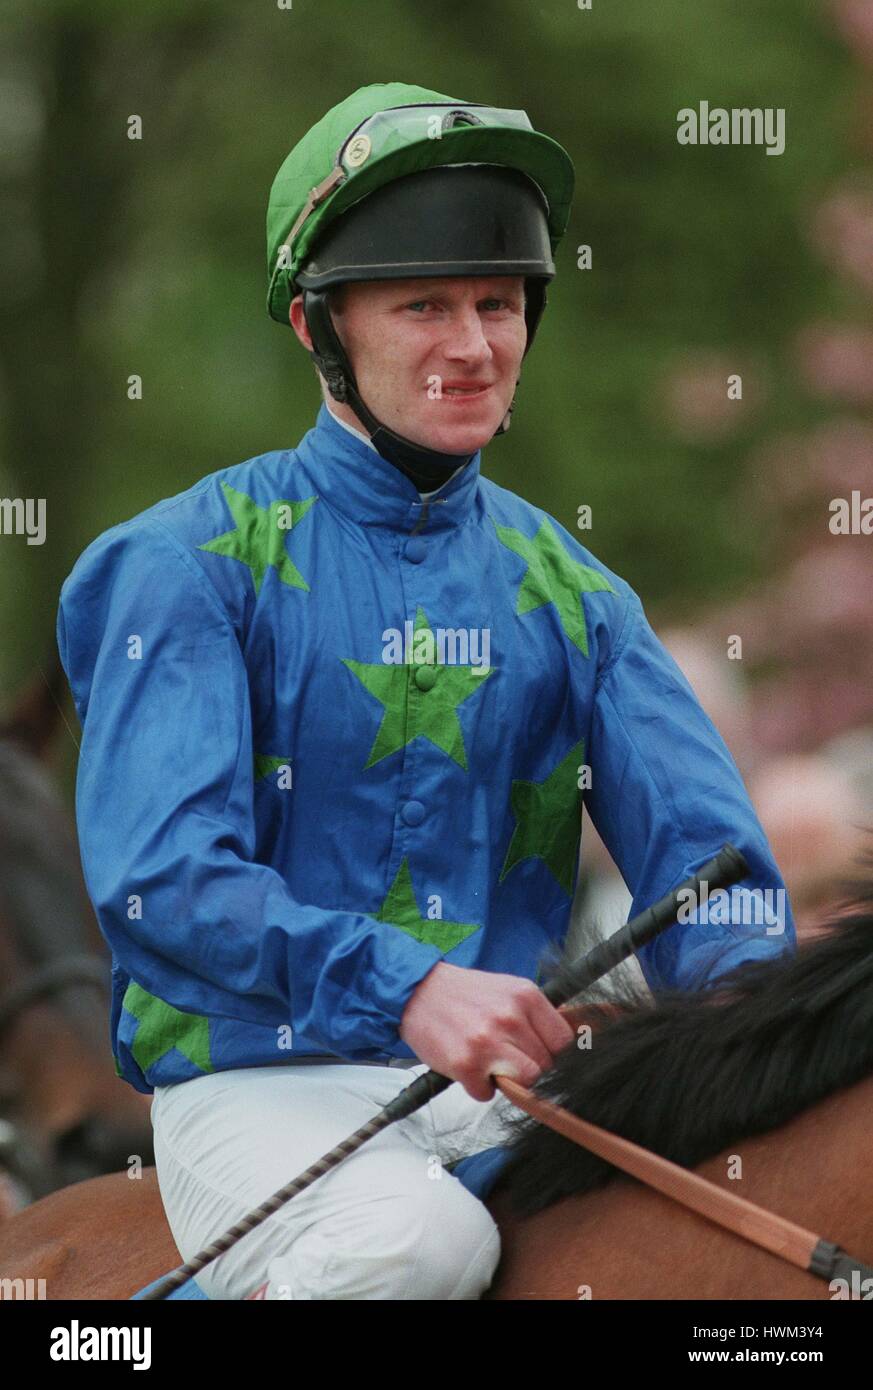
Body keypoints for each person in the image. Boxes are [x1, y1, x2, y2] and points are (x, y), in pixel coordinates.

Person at [56, 81, 796, 1301]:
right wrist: (410, 985)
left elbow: (715, 881)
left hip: (508, 1091)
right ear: (316, 327)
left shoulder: (578, 596)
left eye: (499, 304)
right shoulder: (183, 566)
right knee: (417, 1249)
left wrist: (778, 1040)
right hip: (261, 1090)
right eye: (423, 306)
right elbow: (164, 879)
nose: (474, 346)